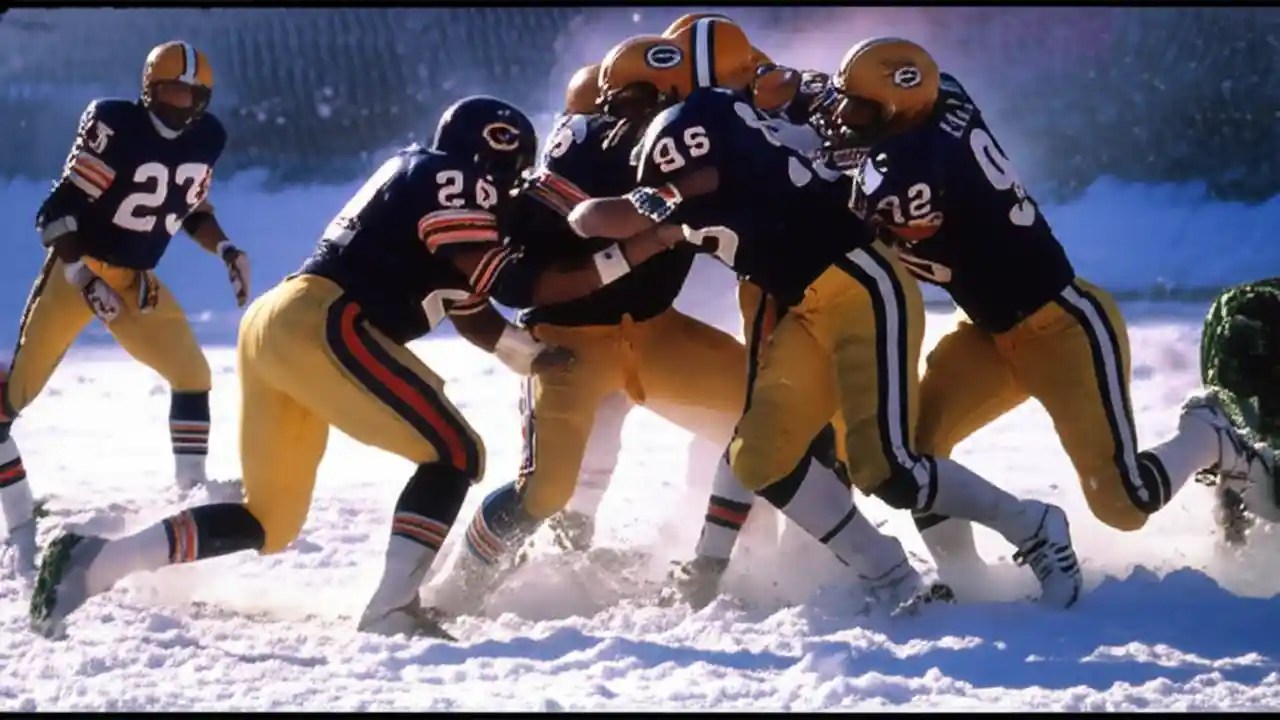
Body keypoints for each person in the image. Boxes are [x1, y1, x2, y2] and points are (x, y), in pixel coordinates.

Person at [27, 95, 679, 640]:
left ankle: (95, 562)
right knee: (454, 452)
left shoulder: (423, 185)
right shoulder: (454, 178)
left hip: (279, 325)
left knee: (268, 521)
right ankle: (392, 609)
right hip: (326, 321)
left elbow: (474, 312)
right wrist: (632, 252)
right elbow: (508, 280)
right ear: (498, 159)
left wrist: (534, 356)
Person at [571, 21, 1086, 611]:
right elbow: (671, 215)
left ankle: (1032, 526)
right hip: (806, 302)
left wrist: (624, 204)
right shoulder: (739, 115)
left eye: (629, 104)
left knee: (886, 467)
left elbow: (645, 205)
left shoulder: (700, 129)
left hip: (859, 288)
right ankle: (886, 574)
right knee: (761, 453)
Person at [811, 36, 1273, 585]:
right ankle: (966, 579)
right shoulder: (938, 101)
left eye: (859, 109)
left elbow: (861, 213)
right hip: (988, 331)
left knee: (1125, 503)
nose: (844, 119)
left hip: (1063, 329)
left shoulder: (913, 170)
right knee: (915, 452)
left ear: (899, 106)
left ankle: (1208, 435)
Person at [2, 41, 250, 577]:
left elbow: (189, 209)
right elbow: (56, 213)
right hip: (78, 269)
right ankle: (19, 530)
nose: (183, 105)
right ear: (150, 89)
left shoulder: (206, 138)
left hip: (135, 280)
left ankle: (189, 495)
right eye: (174, 92)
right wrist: (80, 275)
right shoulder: (117, 126)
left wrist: (227, 248)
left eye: (193, 96)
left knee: (193, 375)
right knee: (8, 403)